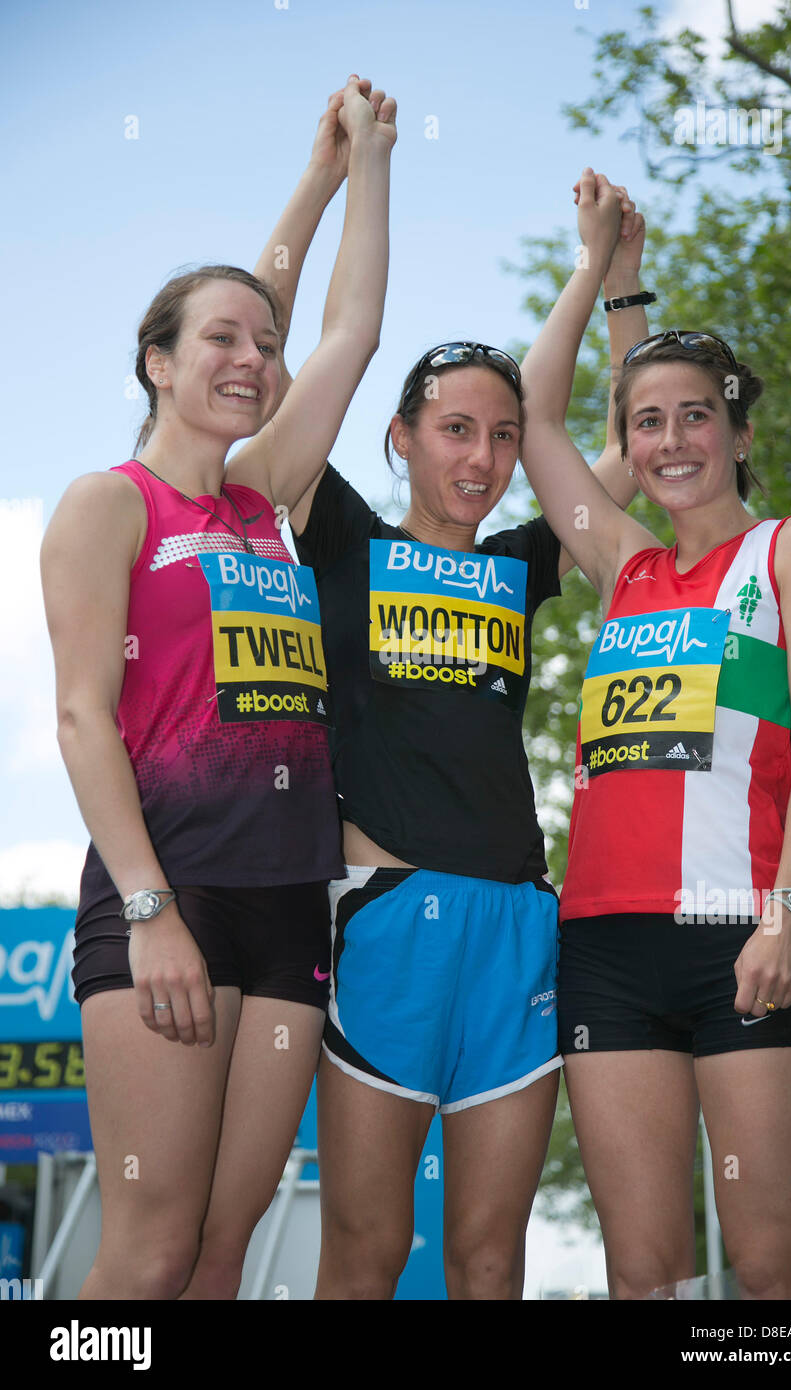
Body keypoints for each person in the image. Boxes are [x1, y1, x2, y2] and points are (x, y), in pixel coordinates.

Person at [253, 174, 642, 1298]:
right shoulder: (338, 535)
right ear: (400, 437)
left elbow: (629, 449)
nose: (479, 458)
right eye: (454, 430)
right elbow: (285, 353)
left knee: (486, 1260)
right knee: (367, 1253)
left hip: (520, 925)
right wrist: (337, 176)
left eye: (503, 437)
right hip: (388, 917)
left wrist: (605, 277)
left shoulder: (521, 563)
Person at [40, 77, 396, 1300]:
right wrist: (148, 914)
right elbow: (83, 715)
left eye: (260, 347)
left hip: (289, 902)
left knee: (218, 1252)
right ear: (154, 362)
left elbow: (340, 334)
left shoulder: (266, 500)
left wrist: (356, 165)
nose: (249, 361)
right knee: (141, 1254)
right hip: (168, 893)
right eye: (216, 344)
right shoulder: (110, 504)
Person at [518, 168, 791, 1300]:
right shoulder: (623, 568)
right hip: (602, 949)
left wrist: (786, 914)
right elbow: (529, 415)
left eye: (694, 416)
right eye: (645, 421)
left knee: (768, 1267)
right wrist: (602, 276)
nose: (669, 440)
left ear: (737, 429)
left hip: (742, 939)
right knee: (641, 1273)